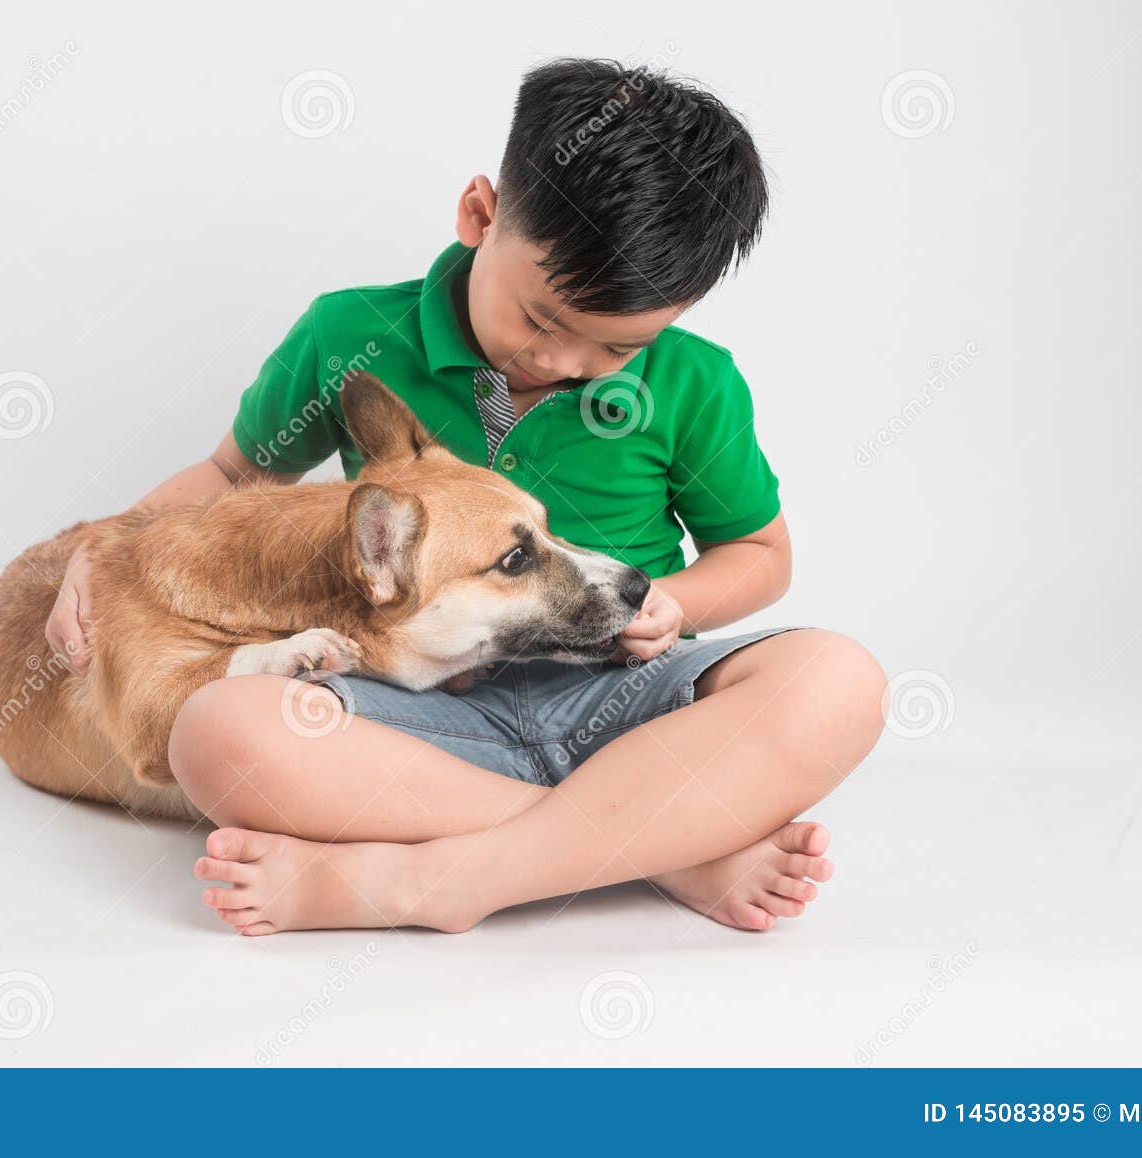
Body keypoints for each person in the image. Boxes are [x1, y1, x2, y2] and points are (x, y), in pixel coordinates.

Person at [45, 59, 887, 935]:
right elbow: (228, 479)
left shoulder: (698, 383)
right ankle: (665, 844)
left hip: (621, 695)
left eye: (615, 350)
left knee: (838, 680)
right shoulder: (350, 335)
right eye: (543, 321)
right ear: (480, 217)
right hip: (412, 710)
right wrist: (105, 547)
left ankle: (427, 880)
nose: (563, 363)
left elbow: (760, 555)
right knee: (217, 731)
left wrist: (675, 603)